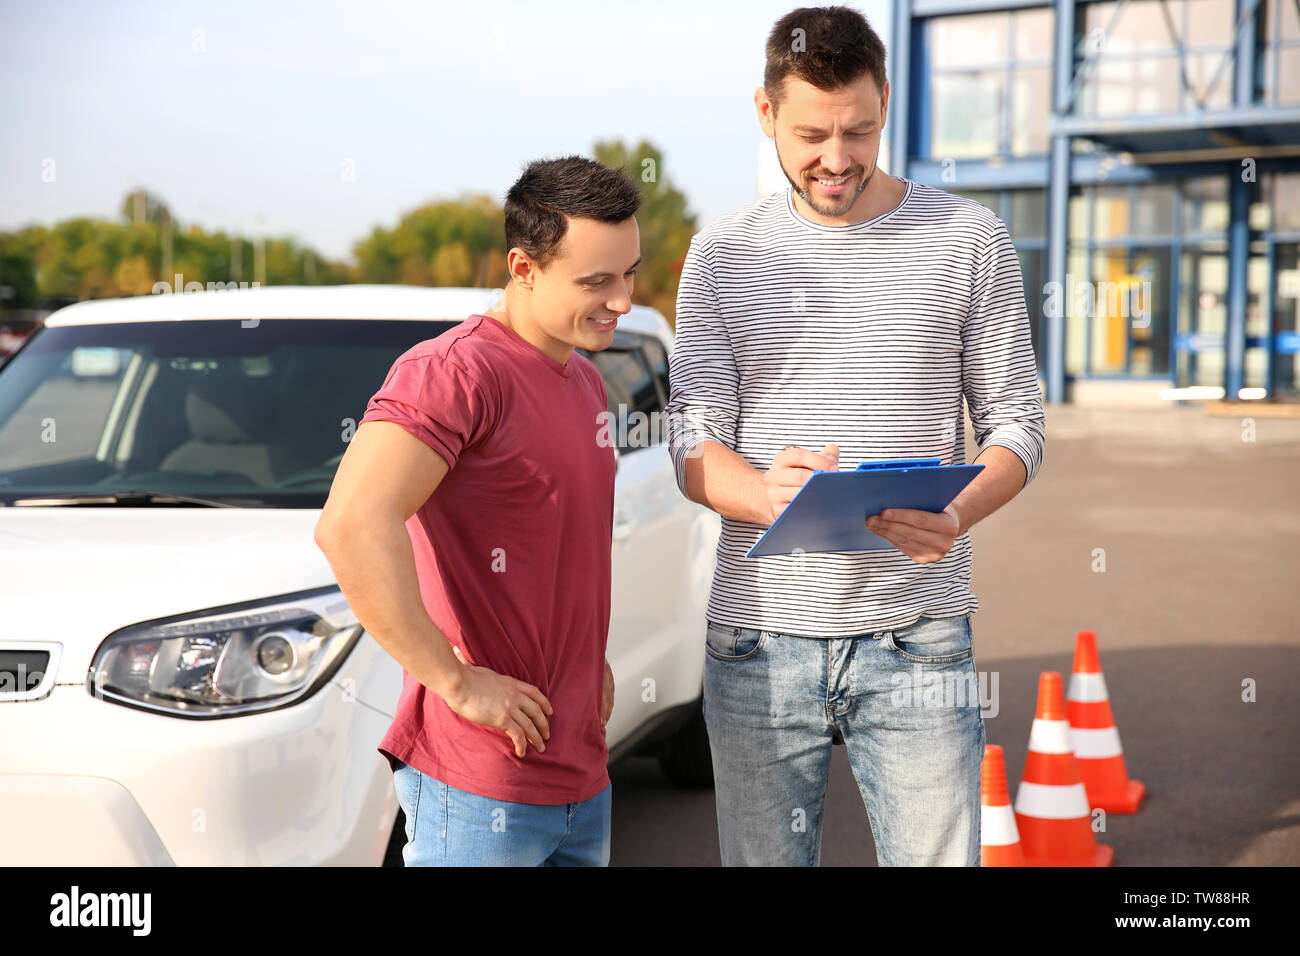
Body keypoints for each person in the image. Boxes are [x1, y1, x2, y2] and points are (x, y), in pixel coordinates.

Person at [664, 5, 1046, 866]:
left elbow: (1018, 422)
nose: (835, 160)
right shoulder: (721, 253)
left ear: (884, 107)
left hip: (919, 634)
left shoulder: (969, 240)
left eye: (859, 130)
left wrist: (962, 511)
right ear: (763, 113)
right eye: (809, 134)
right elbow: (692, 438)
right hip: (757, 642)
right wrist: (760, 492)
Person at [314, 156, 642, 866]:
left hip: (581, 772)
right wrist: (456, 682)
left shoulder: (585, 379)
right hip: (481, 783)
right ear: (524, 268)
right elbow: (350, 526)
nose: (622, 299)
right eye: (596, 282)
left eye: (629, 274)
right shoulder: (454, 372)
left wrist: (588, 665)